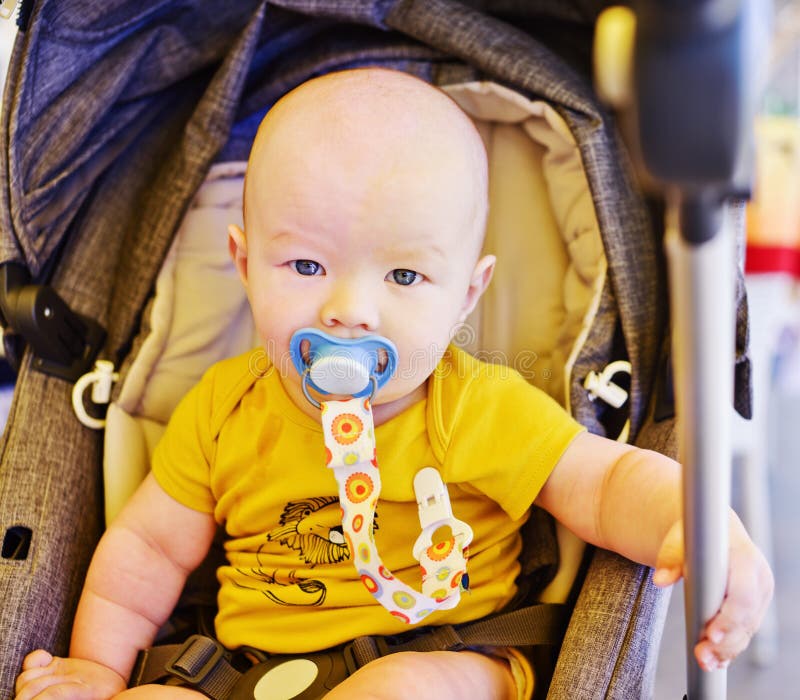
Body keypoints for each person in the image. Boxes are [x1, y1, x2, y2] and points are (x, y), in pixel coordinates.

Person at [15, 68, 773, 700]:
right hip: (246, 673)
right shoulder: (223, 407)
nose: (350, 310)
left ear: (467, 295)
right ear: (244, 264)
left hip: (444, 656)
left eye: (404, 276)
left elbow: (603, 486)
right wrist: (100, 669)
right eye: (306, 265)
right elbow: (145, 552)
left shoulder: (476, 404)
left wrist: (690, 519)